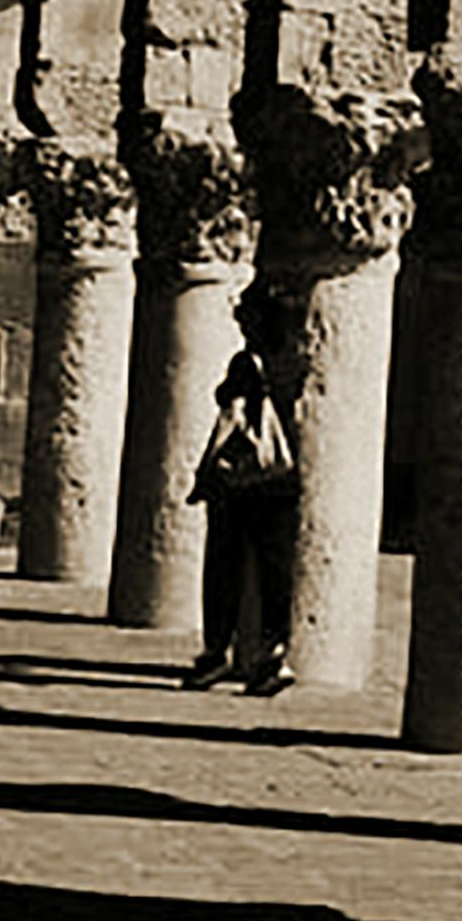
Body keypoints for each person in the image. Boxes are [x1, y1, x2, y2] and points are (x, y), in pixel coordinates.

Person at [183, 295, 300, 697]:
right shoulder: (297, 365)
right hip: (283, 484)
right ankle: (273, 653)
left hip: (239, 486)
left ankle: (216, 652)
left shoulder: (246, 363)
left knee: (224, 568)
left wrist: (205, 474)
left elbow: (230, 417)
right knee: (275, 573)